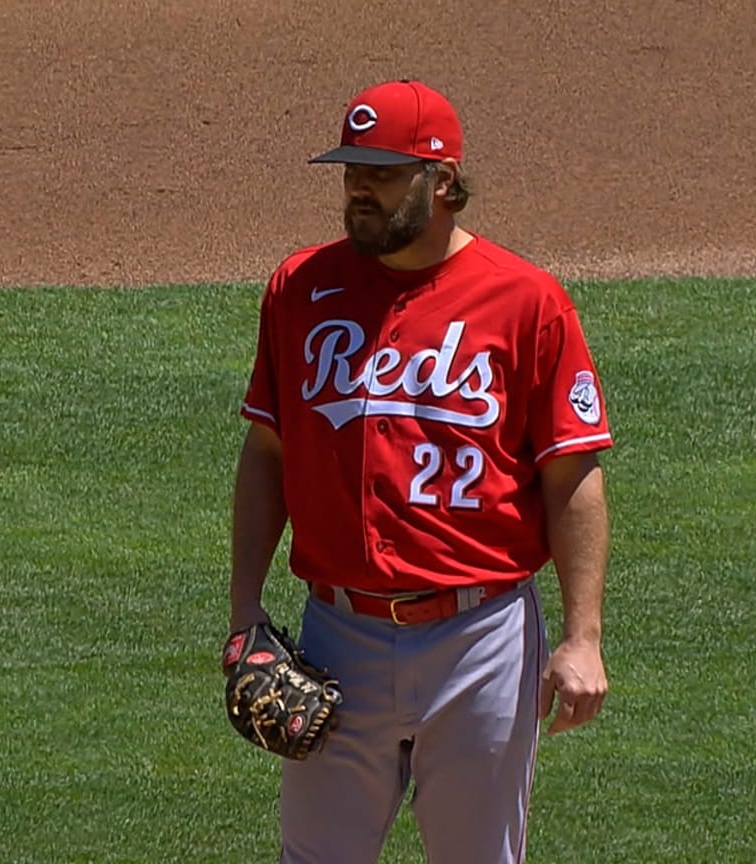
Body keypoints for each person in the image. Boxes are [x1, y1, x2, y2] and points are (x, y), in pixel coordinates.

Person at [226, 78, 613, 863]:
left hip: (482, 638)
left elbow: (572, 473)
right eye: (351, 171)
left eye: (381, 172)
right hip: (336, 635)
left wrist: (583, 638)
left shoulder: (527, 301)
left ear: (442, 180)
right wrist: (245, 609)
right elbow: (267, 451)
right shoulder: (301, 288)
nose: (358, 189)